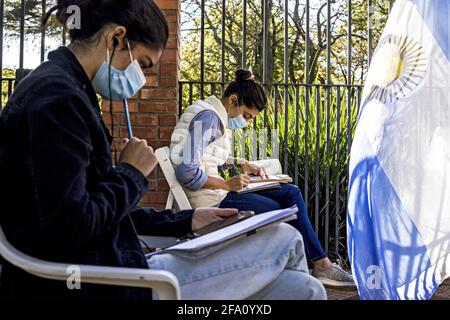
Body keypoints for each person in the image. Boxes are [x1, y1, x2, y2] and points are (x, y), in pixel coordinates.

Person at [0, 0, 326, 300]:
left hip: (123, 261)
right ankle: (322, 263)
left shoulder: (68, 92)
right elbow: (71, 226)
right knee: (285, 238)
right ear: (116, 38)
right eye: (142, 63)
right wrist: (130, 173)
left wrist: (186, 221)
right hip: (109, 280)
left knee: (305, 288)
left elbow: (96, 210)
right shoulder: (59, 100)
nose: (140, 78)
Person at [170, 69, 355, 288]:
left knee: (290, 193)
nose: (246, 122)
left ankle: (320, 264)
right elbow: (187, 172)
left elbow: (204, 154)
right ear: (233, 100)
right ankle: (318, 265)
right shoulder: (209, 117)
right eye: (247, 115)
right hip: (212, 200)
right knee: (285, 207)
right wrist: (226, 184)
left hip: (216, 193)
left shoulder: (211, 113)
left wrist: (239, 162)